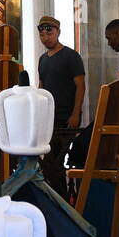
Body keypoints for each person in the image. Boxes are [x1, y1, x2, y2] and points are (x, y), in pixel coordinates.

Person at [37, 15, 86, 196]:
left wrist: (75, 114)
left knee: (58, 161)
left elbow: (80, 86)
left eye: (49, 33)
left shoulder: (70, 56)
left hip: (66, 117)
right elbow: (41, 87)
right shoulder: (43, 59)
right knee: (49, 161)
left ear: (58, 32)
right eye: (42, 34)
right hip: (49, 117)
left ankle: (64, 197)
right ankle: (56, 196)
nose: (46, 37)